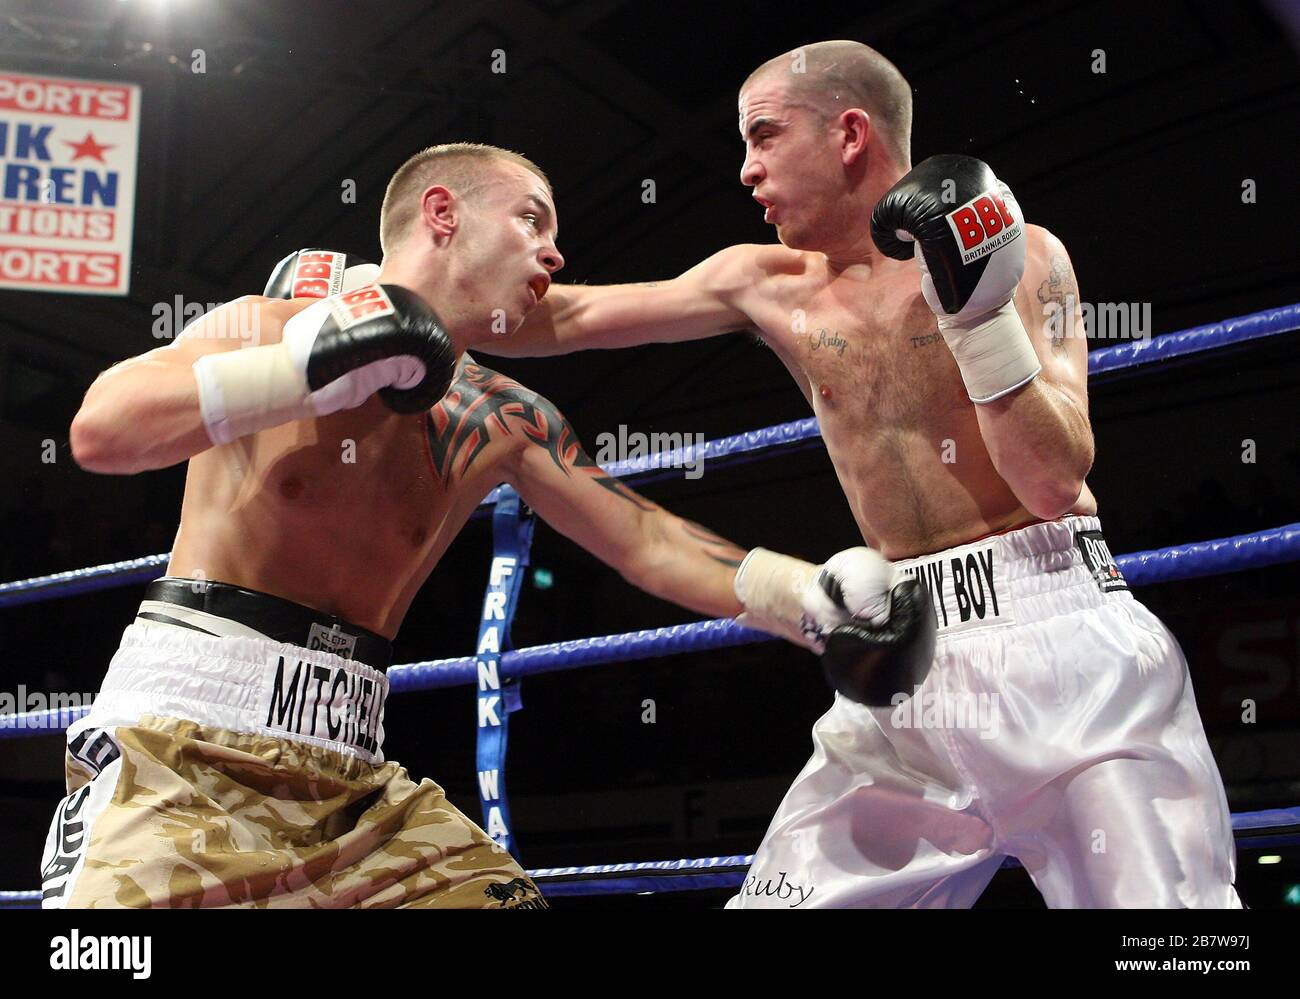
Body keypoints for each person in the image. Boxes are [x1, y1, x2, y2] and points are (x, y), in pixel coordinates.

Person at [40, 141, 902, 909]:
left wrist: (807, 598)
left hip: (353, 779)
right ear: (442, 215)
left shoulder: (506, 414)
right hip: (179, 744)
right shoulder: (270, 328)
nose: (555, 251)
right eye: (532, 219)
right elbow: (103, 430)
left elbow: (647, 540)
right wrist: (309, 367)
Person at [482, 42, 1242, 908]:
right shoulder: (762, 281)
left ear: (850, 133)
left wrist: (976, 314)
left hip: (1067, 644)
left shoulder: (1027, 254)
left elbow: (1052, 484)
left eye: (764, 136)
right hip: (899, 670)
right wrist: (398, 292)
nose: (745, 169)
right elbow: (559, 318)